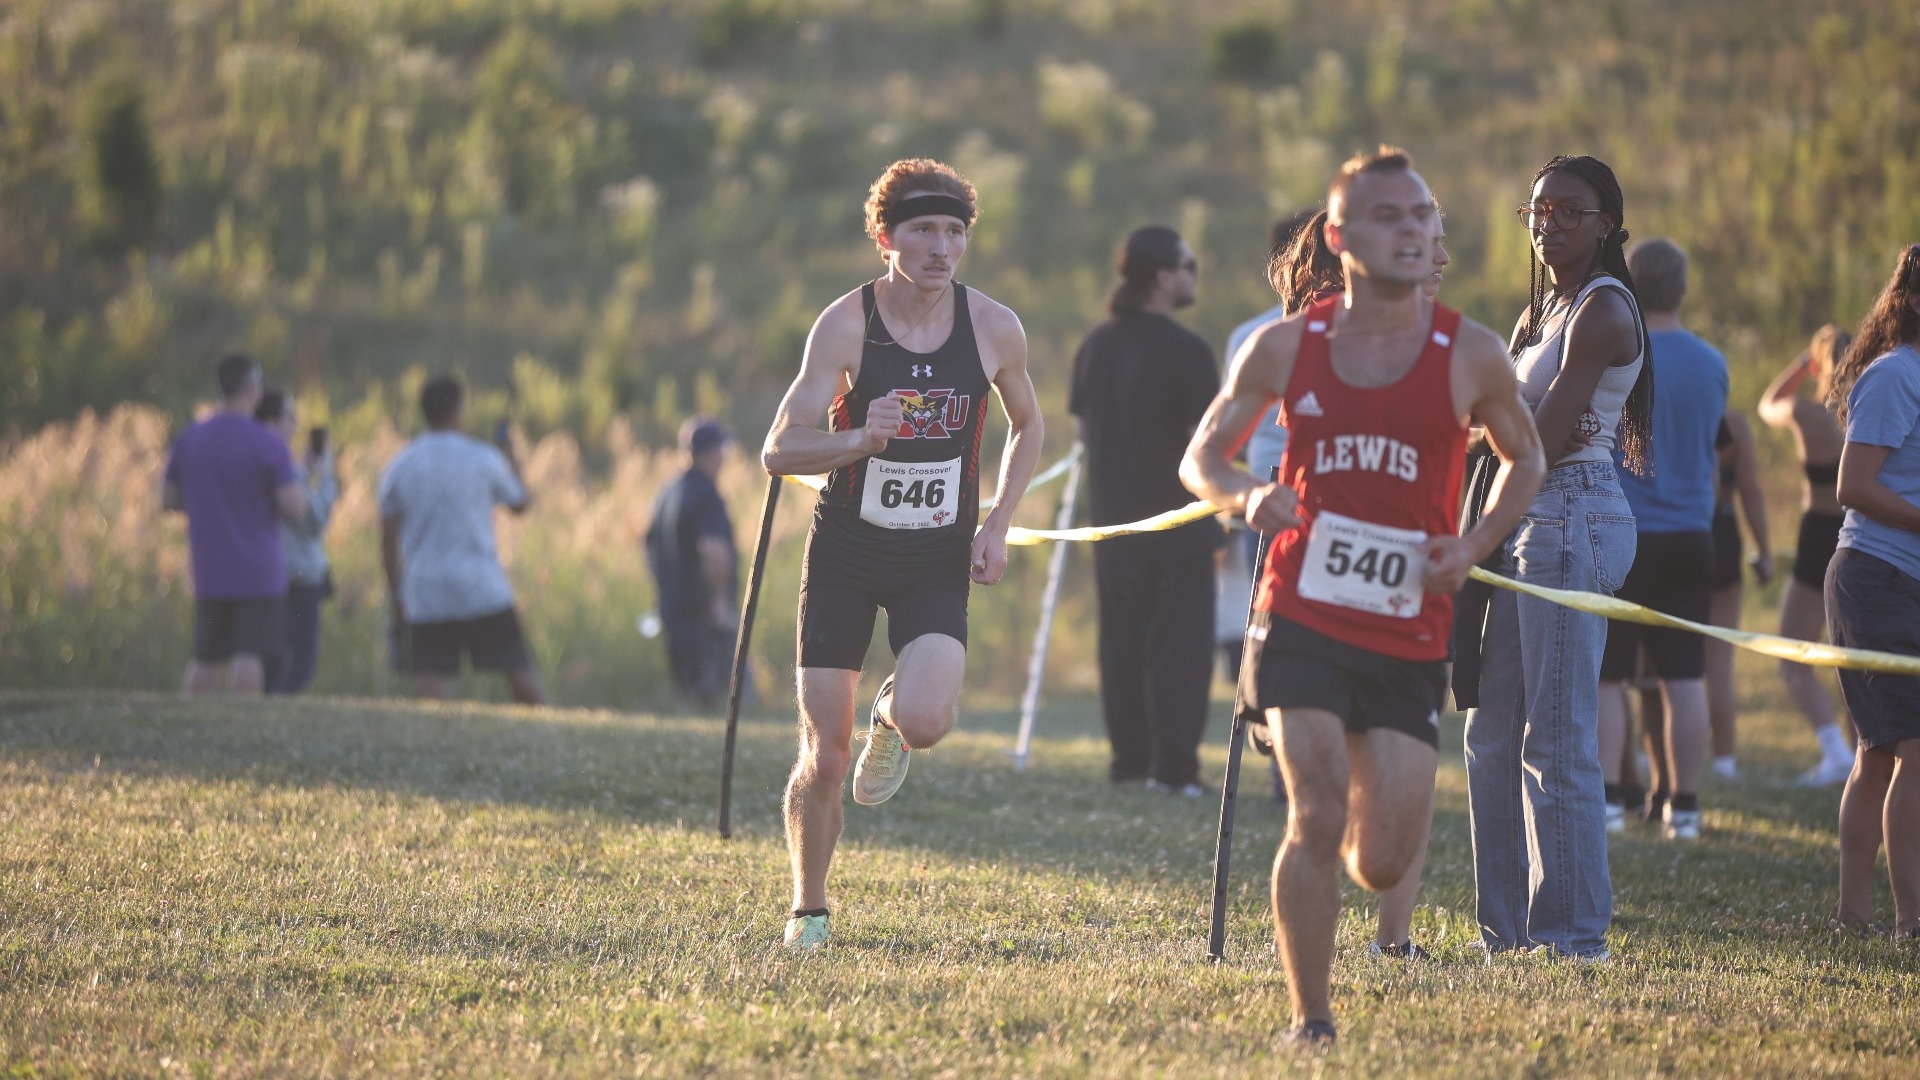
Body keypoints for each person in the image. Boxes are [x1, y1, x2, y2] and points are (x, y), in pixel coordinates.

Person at [1181, 148, 1545, 1046]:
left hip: (1411, 622)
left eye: (1424, 215)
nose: (1414, 230)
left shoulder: (1470, 353)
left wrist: (1474, 542)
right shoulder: (1286, 345)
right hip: (1301, 607)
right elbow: (1202, 458)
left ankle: (1361, 852)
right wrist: (1246, 494)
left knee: (1381, 863)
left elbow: (1526, 457)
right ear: (1339, 237)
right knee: (1312, 812)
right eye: (1389, 216)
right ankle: (1311, 1019)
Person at [762, 159, 1044, 950]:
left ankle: (890, 713)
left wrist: (998, 524)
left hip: (936, 555)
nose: (941, 246)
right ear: (886, 238)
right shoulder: (846, 324)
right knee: (822, 756)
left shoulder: (994, 327)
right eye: (923, 229)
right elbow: (780, 450)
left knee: (924, 721)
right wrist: (860, 436)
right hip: (848, 549)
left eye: (955, 231)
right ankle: (809, 910)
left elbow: (1030, 425)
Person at [1462, 154, 1649, 958]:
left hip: (1572, 517)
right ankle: (1502, 935)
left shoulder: (1604, 312)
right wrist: (1497, 428)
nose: (1548, 224)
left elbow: (1531, 437)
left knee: (1558, 737)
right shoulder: (1538, 314)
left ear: (1606, 223)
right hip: (1516, 513)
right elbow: (1506, 425)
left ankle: (1572, 937)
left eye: (1569, 211)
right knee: (1488, 731)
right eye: (1537, 210)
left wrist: (1500, 428)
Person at [1070, 225, 1221, 796]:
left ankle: (1129, 764)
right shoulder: (1188, 351)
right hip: (1178, 528)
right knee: (1179, 657)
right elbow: (1205, 443)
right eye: (1187, 265)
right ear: (1164, 276)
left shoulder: (1096, 344)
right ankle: (1174, 772)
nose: (1191, 275)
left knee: (1121, 651)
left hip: (1111, 528)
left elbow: (1084, 429)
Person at [1593, 239, 1725, 841]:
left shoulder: (1624, 351)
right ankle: (1686, 809)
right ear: (1685, 287)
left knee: (1610, 678)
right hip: (1692, 533)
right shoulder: (1713, 362)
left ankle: (1612, 806)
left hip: (1627, 531)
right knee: (1684, 677)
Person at [1826, 243, 1920, 941]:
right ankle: (1910, 920)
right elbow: (1853, 486)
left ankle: (1853, 911)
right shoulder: (1895, 376)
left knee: (1878, 750)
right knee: (1910, 749)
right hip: (1874, 577)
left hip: (1905, 581)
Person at [378, 375, 545, 705]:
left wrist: (395, 591)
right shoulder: (483, 458)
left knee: (430, 674)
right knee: (516, 668)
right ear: (458, 411)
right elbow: (520, 503)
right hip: (480, 584)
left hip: (426, 586)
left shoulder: (401, 465)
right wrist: (511, 456)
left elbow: (386, 538)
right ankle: (546, 729)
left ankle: (431, 740)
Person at [161, 354, 310, 695]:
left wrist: (206, 502)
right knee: (249, 652)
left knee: (207, 654)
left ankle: (195, 721)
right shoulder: (268, 443)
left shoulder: (191, 438)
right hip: (258, 570)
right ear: (251, 388)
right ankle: (243, 722)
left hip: (209, 566)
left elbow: (168, 498)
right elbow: (295, 507)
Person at [1759, 324, 1855, 787]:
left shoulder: (1805, 412)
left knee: (1792, 654)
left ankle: (1837, 753)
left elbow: (1765, 404)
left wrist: (1802, 363)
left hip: (1818, 533)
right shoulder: (1863, 414)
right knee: (1853, 657)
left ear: (1820, 363)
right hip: (1858, 533)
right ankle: (1859, 753)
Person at [644, 417, 741, 709]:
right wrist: (720, 601)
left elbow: (649, 547)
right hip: (702, 613)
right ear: (712, 453)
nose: (724, 457)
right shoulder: (706, 495)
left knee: (686, 694)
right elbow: (713, 550)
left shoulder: (666, 493)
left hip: (673, 608)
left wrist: (663, 589)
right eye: (722, 450)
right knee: (712, 698)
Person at [253, 389, 339, 695]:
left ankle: (268, 705)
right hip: (300, 576)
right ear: (271, 421)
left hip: (265, 573)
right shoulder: (279, 464)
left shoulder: (255, 462)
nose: (295, 424)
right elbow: (314, 519)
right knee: (300, 660)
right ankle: (280, 710)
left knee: (269, 655)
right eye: (289, 417)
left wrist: (304, 472)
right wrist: (327, 475)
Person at [1704, 412, 1773, 780]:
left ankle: (1657, 760)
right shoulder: (1733, 423)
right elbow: (1750, 490)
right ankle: (1724, 761)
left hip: (1674, 528)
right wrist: (1764, 552)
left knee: (1664, 664)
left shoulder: (1655, 408)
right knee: (1718, 663)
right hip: (1722, 530)